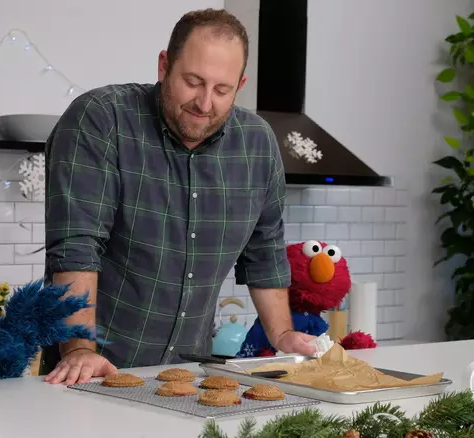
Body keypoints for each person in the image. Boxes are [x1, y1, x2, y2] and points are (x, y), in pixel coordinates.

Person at [41, 8, 318, 386]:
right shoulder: (101, 120)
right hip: (94, 371)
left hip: (187, 379)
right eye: (192, 81)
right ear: (164, 65)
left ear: (241, 84)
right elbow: (76, 246)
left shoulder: (258, 143)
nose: (205, 103)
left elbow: (265, 251)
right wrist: (79, 350)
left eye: (223, 90)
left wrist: (282, 335)